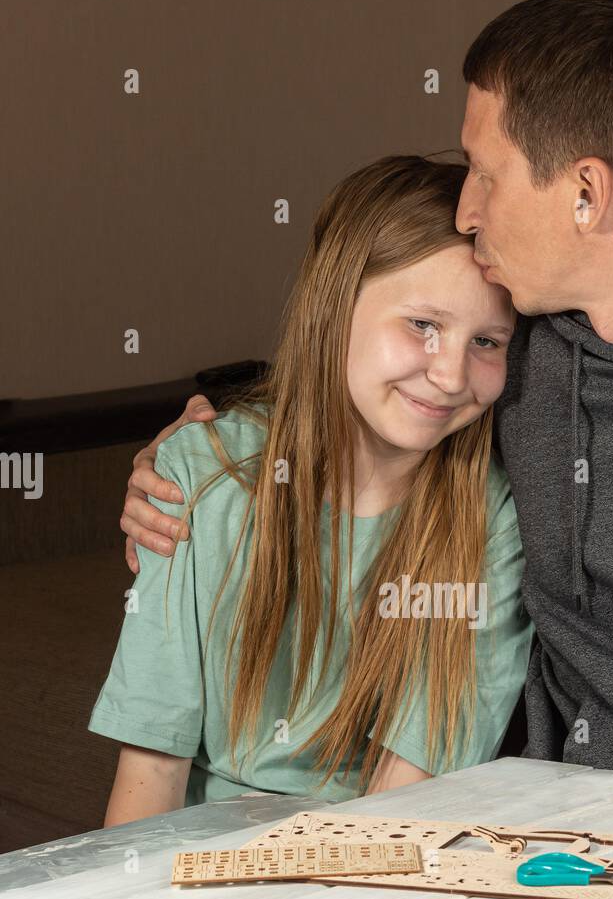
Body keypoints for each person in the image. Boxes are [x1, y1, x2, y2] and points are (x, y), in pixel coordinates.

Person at [121, 0, 613, 813]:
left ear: (587, 192)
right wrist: (194, 445)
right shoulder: (520, 347)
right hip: (539, 837)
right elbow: (360, 375)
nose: (467, 211)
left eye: (485, 172)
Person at [89, 156, 530, 824]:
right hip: (194, 859)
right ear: (334, 306)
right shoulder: (200, 478)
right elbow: (151, 771)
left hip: (377, 857)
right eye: (423, 325)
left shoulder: (490, 517)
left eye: (489, 341)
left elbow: (406, 800)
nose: (449, 374)